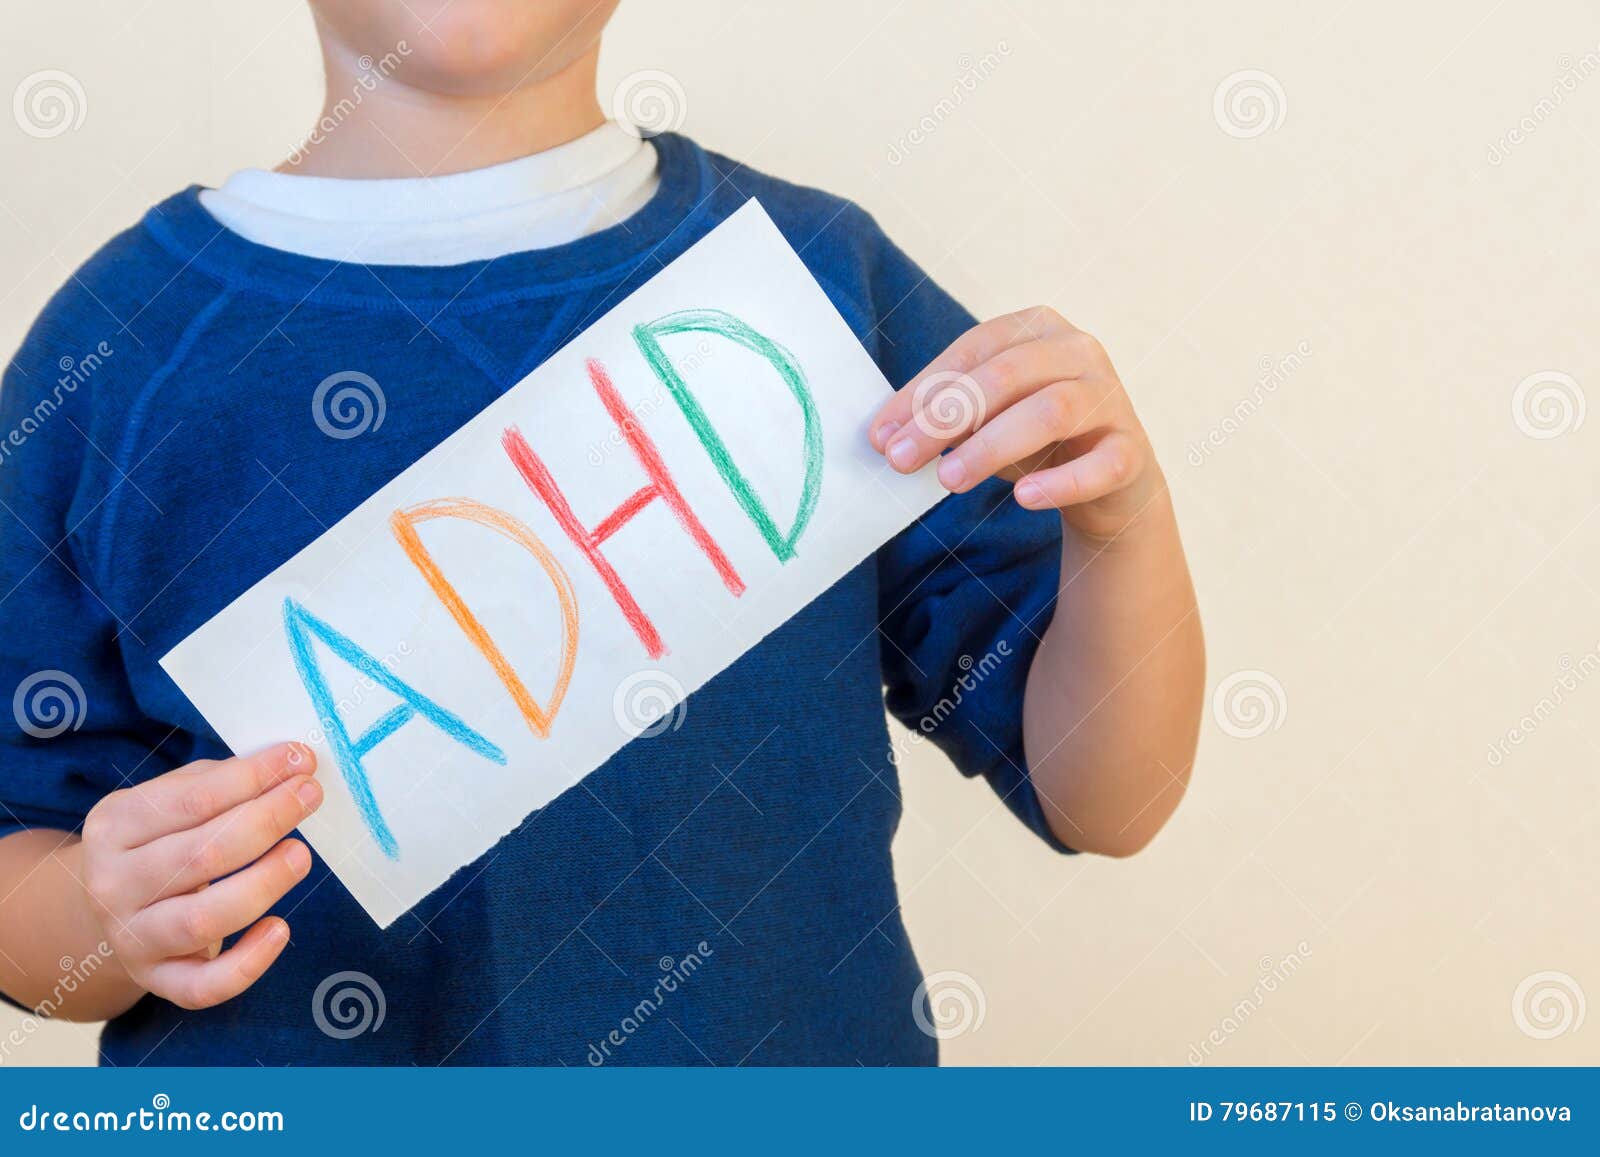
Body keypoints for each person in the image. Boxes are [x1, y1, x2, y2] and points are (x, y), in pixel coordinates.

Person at [0, 0, 1204, 1065]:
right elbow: (21, 866)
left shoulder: (824, 280)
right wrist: (101, 923)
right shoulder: (118, 352)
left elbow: (1103, 792)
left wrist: (1121, 524)